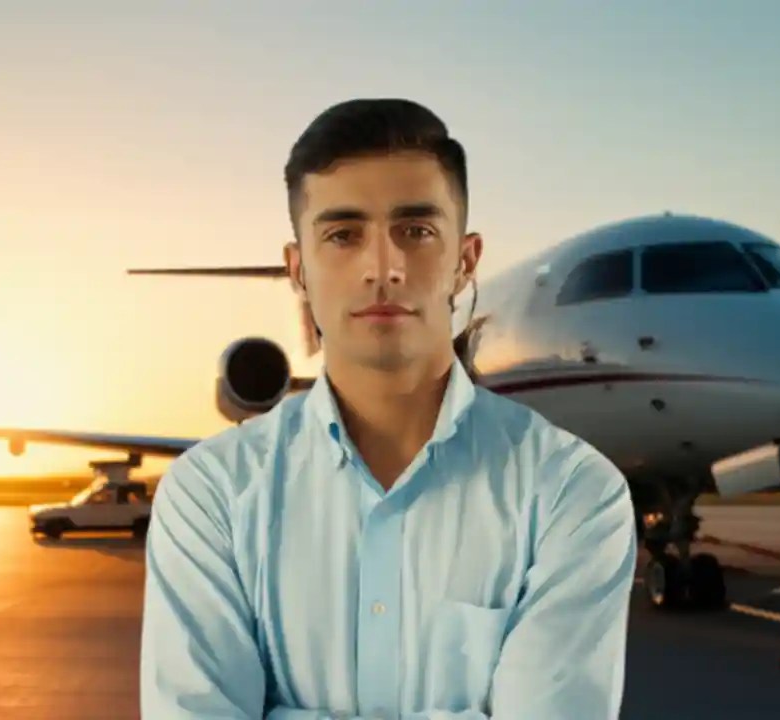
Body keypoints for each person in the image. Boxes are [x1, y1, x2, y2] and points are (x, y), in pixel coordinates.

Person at [140, 98, 638, 719]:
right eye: (343, 235)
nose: (384, 268)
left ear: (466, 259)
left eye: (417, 231)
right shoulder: (210, 492)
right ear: (298, 268)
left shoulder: (573, 491)